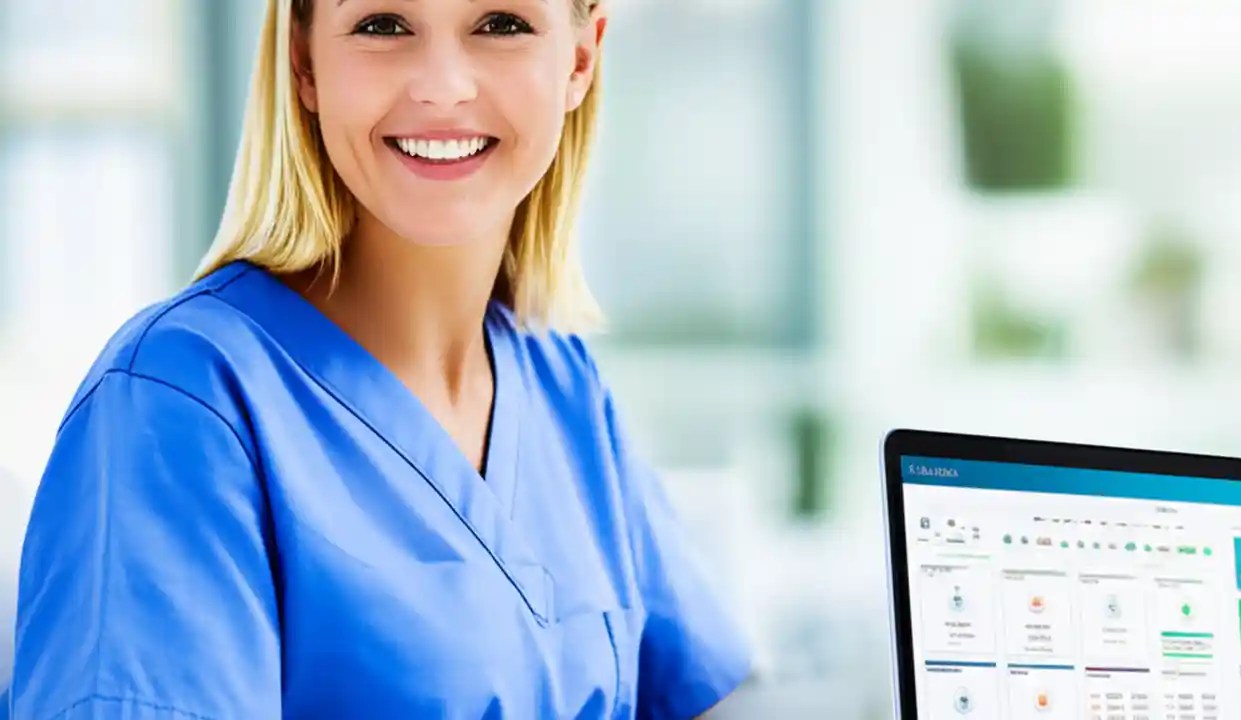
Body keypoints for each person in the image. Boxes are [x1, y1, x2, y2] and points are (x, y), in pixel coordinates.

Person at [8, 0, 752, 717]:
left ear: (580, 59)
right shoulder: (178, 401)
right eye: (382, 24)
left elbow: (712, 696)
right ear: (304, 62)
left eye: (502, 24)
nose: (441, 86)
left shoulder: (566, 390)